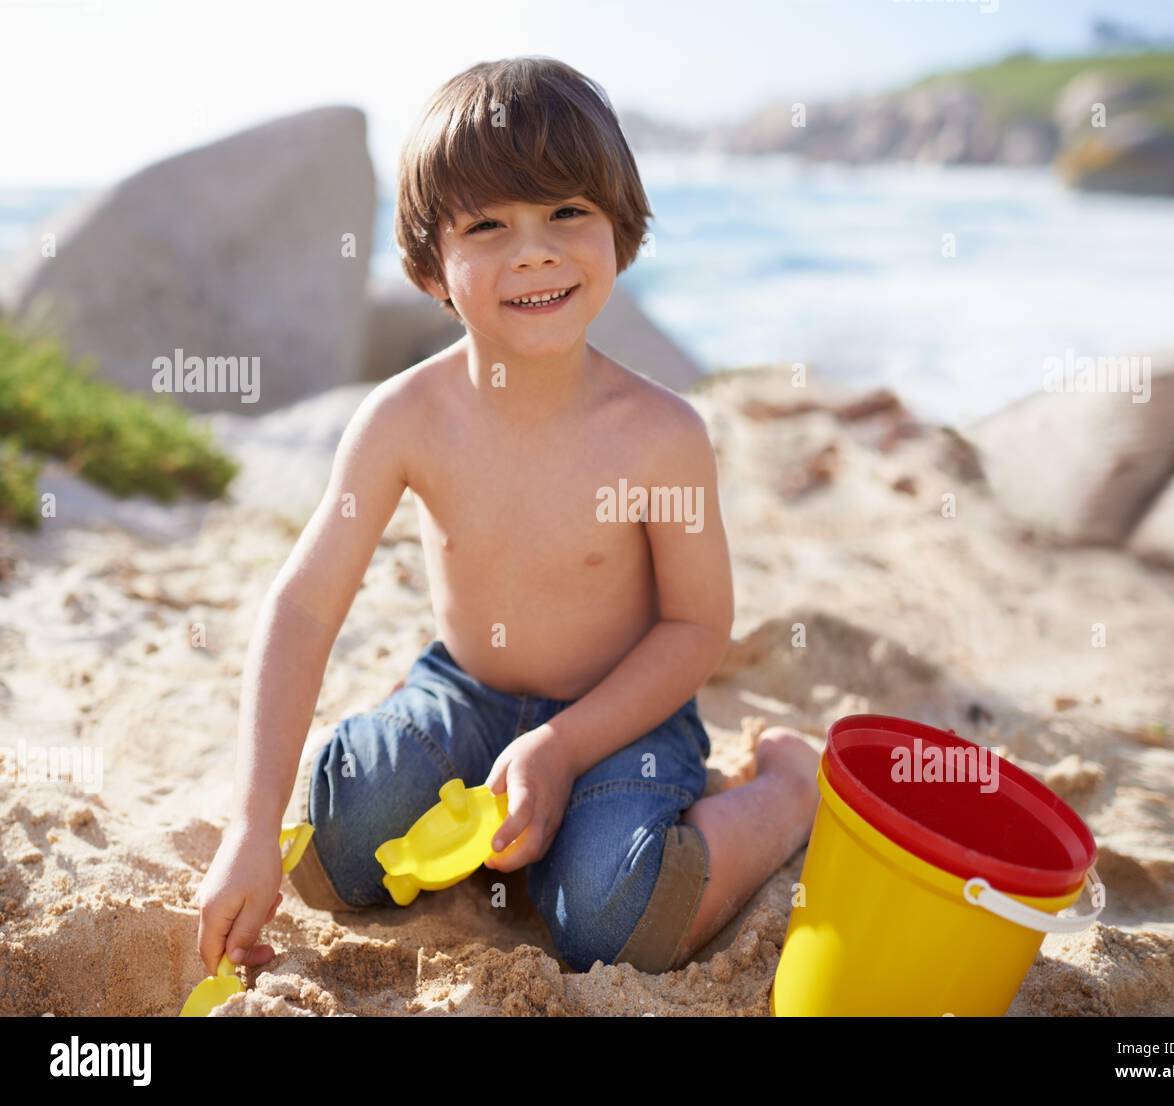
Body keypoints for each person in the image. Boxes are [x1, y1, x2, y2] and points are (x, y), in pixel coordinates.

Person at [196, 55, 820, 979]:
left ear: (621, 228)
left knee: (613, 923)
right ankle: (538, 820)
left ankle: (783, 788)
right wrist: (249, 829)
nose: (534, 251)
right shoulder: (403, 418)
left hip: (623, 713)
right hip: (470, 692)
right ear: (429, 266)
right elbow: (303, 606)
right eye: (488, 225)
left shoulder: (661, 433)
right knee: (340, 847)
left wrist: (565, 746)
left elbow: (697, 628)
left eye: (568, 212)